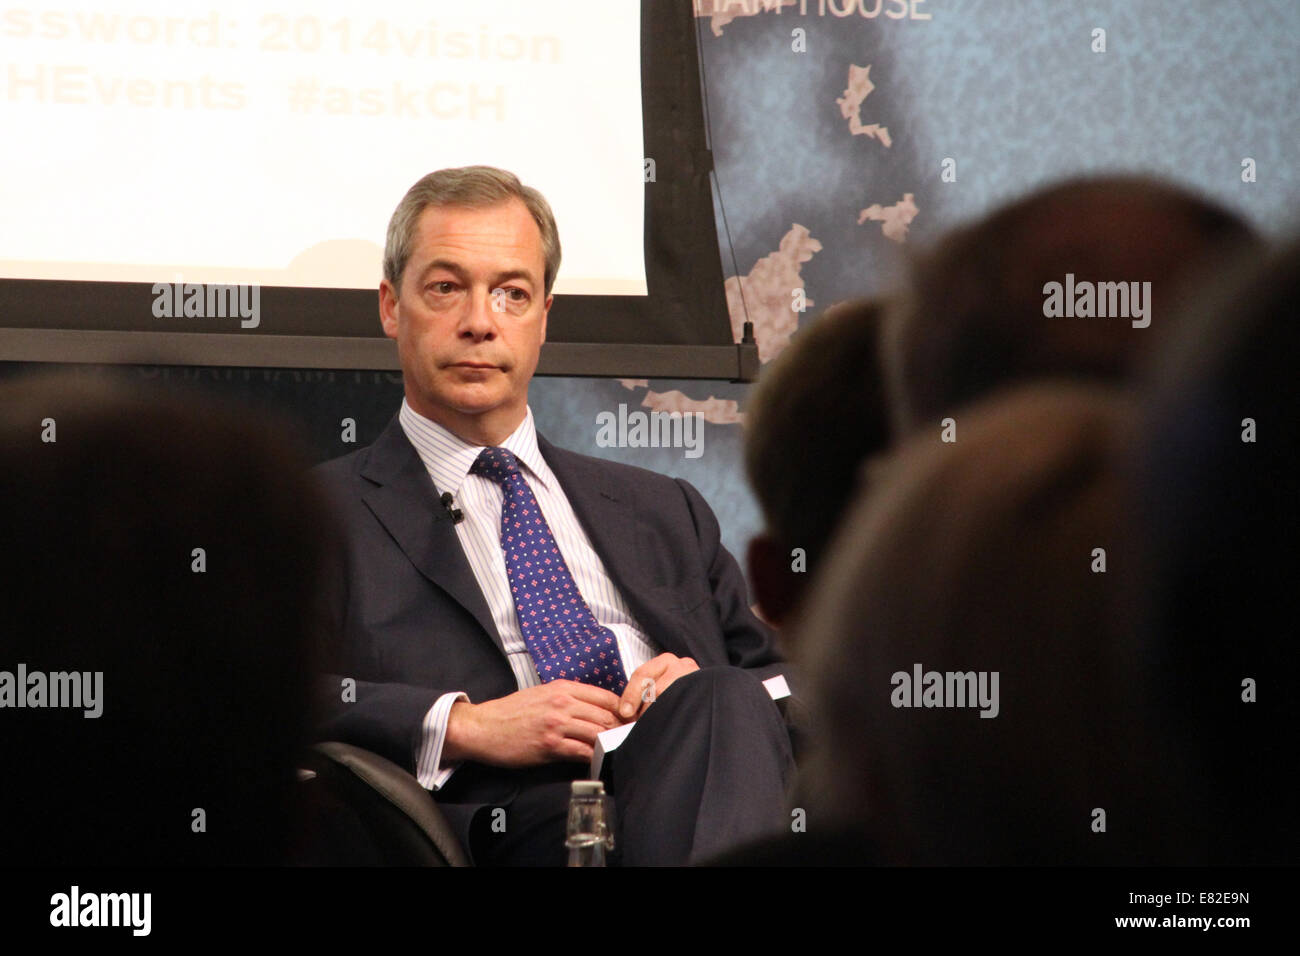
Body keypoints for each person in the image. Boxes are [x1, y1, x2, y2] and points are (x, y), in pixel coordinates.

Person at [310, 166, 793, 866]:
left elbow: (789, 685)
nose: (480, 322)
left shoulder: (663, 512)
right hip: (508, 821)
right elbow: (247, 692)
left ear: (543, 319)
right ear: (391, 307)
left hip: (692, 781)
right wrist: (464, 725)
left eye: (511, 293)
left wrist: (699, 698)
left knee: (722, 697)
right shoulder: (318, 513)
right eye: (447, 289)